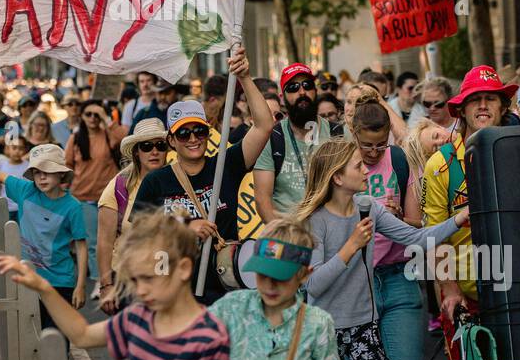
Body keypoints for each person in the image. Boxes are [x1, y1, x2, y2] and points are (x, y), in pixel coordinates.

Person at [0, 211, 227, 360]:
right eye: (135, 280)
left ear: (184, 269)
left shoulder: (210, 336)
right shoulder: (138, 317)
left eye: (149, 278)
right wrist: (44, 288)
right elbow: (82, 335)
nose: (140, 291)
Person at [298, 138, 467, 360]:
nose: (366, 170)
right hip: (326, 331)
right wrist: (350, 247)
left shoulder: (369, 209)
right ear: (337, 177)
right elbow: (314, 284)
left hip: (364, 325)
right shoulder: (315, 221)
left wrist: (457, 220)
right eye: (357, 166)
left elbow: (415, 238)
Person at [132, 45, 275, 303]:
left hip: (226, 290)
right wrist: (185, 227)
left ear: (208, 133)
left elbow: (265, 125)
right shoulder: (156, 181)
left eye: (199, 131)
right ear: (171, 141)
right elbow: (138, 234)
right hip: (176, 292)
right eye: (183, 133)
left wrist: (244, 77)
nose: (193, 139)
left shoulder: (225, 165)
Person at [208, 218, 347, 360]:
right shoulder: (229, 308)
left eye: (281, 277)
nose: (270, 285)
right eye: (263, 274)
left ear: (305, 274)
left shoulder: (317, 324)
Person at [352, 102, 427, 360]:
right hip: (354, 281)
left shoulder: (397, 160)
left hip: (398, 276)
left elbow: (418, 223)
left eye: (380, 144)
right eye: (366, 144)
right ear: (354, 133)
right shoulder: (340, 163)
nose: (372, 152)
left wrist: (396, 218)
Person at [423, 65, 518, 326]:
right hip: (467, 298)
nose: (483, 105)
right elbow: (433, 238)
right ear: (461, 110)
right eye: (475, 99)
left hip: (519, 290)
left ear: (503, 107)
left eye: (491, 98)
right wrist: (450, 288)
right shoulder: (440, 165)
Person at [0, 144, 87, 328]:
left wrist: (80, 286)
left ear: (61, 173)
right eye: (37, 172)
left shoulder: (73, 207)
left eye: (48, 171)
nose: (41, 177)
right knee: (29, 332)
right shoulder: (26, 190)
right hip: (27, 277)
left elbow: (81, 245)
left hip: (60, 282)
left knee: (57, 337)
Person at [253, 64, 344, 224]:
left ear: (315, 91)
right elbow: (262, 200)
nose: (302, 92)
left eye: (307, 85)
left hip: (333, 234)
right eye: (293, 87)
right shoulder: (271, 138)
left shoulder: (339, 134)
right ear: (282, 97)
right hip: (290, 234)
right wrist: (285, 237)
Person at [95, 118, 169, 312]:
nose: (154, 151)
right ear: (136, 151)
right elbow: (104, 241)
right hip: (129, 282)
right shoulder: (119, 187)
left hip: (169, 280)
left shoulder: (178, 180)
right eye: (146, 146)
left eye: (160, 145)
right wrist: (106, 285)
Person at [65, 103, 128, 291]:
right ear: (82, 116)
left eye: (96, 114)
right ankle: (99, 280)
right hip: (83, 197)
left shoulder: (108, 134)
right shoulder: (76, 138)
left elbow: (125, 138)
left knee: (115, 239)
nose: (92, 118)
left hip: (109, 197)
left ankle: (114, 275)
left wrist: (107, 118)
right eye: (88, 114)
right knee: (93, 242)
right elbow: (67, 165)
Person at [0, 133, 32, 218]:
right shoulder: (1, 165)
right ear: (7, 148)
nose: (17, 151)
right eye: (14, 148)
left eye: (20, 148)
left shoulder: (28, 166)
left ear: (25, 150)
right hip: (6, 206)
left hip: (23, 207)